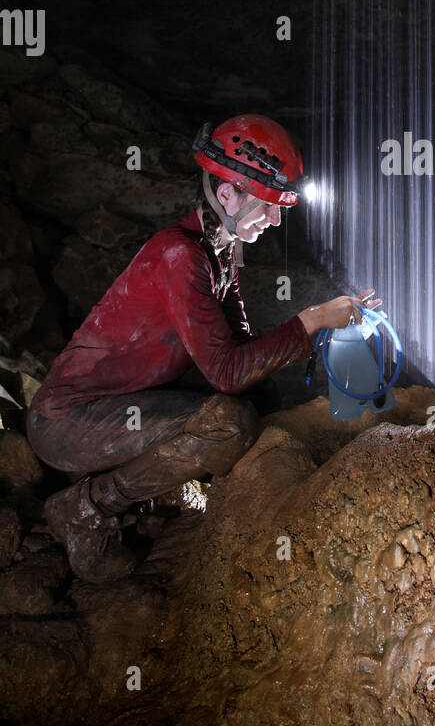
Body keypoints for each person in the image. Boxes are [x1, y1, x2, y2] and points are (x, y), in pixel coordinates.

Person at [26, 114, 379, 583]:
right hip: (67, 421)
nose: (275, 219)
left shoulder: (221, 250)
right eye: (268, 206)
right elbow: (227, 373)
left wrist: (321, 331)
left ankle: (178, 487)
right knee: (229, 424)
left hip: (124, 401)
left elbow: (239, 350)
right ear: (228, 194)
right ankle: (88, 506)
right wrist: (312, 319)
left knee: (258, 400)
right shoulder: (180, 256)